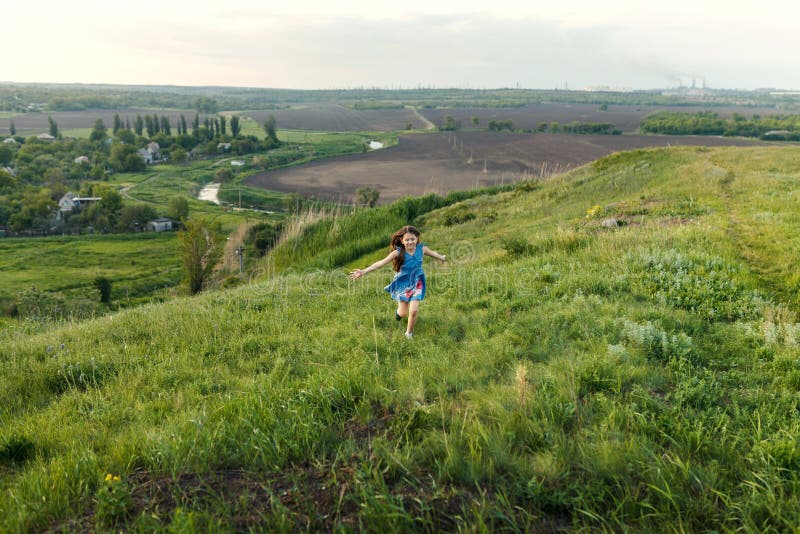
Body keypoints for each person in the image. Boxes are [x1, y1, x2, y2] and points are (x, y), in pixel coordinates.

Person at [349, 225, 446, 339]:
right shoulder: (398, 253)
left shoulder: (422, 249)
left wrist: (442, 257)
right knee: (403, 313)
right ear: (402, 240)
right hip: (403, 283)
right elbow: (380, 263)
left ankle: (409, 334)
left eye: (412, 239)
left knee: (414, 310)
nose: (410, 242)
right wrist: (364, 271)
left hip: (417, 281)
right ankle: (398, 314)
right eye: (407, 240)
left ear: (417, 238)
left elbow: (434, 254)